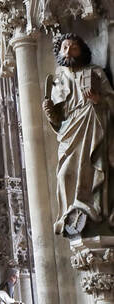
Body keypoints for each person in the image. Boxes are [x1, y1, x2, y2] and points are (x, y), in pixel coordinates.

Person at [44, 33, 114, 236]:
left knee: (93, 170)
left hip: (94, 128)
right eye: (64, 48)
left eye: (73, 48)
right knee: (65, 174)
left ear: (82, 51)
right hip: (70, 133)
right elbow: (58, 121)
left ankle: (96, 212)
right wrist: (50, 112)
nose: (68, 52)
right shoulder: (57, 82)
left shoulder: (96, 73)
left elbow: (111, 102)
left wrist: (98, 100)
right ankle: (69, 215)